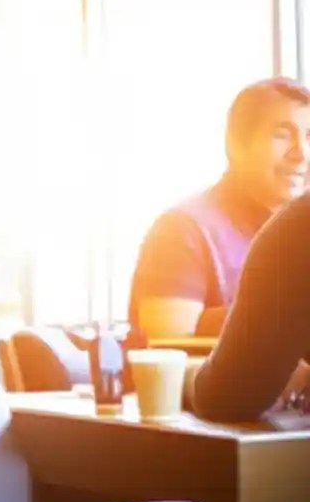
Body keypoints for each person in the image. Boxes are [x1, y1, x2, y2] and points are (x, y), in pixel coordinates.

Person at [127, 77, 310, 344]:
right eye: (282, 134)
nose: (301, 154)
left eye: (309, 136)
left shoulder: (299, 233)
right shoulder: (182, 230)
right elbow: (169, 352)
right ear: (236, 144)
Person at [192, 193, 310, 421]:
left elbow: (230, 394)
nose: (300, 156)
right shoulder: (185, 228)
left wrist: (179, 374)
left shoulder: (300, 228)